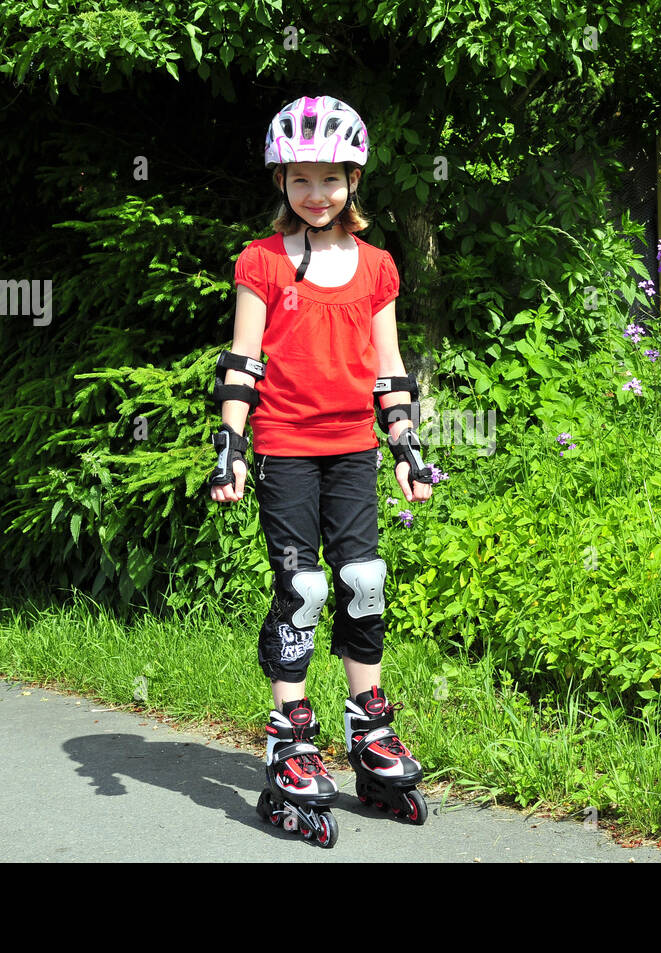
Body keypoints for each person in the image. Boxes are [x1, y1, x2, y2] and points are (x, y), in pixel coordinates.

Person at [206, 95, 434, 841]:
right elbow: (243, 362)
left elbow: (389, 368)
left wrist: (404, 446)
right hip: (282, 446)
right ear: (281, 182)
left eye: (329, 179)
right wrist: (230, 448)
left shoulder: (377, 267)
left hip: (352, 447)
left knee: (363, 579)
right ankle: (289, 736)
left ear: (353, 178)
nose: (316, 194)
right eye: (300, 179)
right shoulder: (262, 261)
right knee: (302, 586)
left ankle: (367, 728)